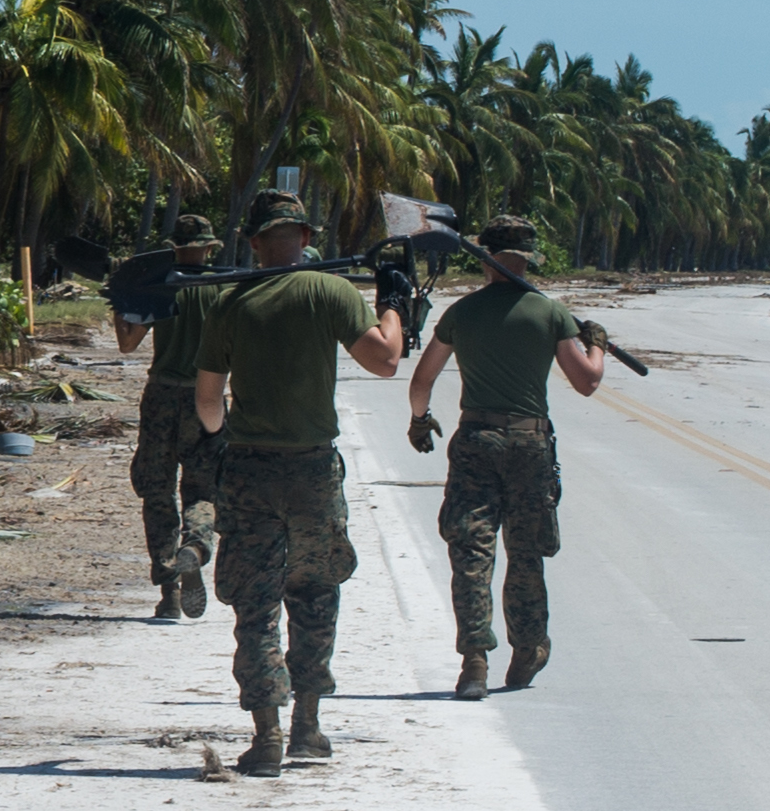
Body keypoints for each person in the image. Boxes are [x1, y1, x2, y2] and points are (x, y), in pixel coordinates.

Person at [192, 190, 409, 777]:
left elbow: (208, 403)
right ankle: (309, 726)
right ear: (307, 238)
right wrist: (393, 304)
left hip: (250, 470)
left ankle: (266, 735)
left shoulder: (230, 303)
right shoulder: (333, 292)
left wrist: (222, 434)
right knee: (313, 593)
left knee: (256, 606)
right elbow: (387, 360)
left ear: (255, 242)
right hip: (313, 471)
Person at [405, 214, 607, 701]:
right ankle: (528, 645)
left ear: (486, 258)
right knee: (526, 551)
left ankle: (475, 656)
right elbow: (587, 381)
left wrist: (419, 419)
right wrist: (595, 345)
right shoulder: (549, 312)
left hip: (476, 439)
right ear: (528, 259)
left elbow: (422, 381)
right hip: (529, 445)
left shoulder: (463, 312)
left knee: (471, 552)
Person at [114, 214, 225, 620]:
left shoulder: (161, 287)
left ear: (174, 246)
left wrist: (120, 300)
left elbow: (128, 344)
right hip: (206, 395)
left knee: (157, 492)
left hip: (161, 394)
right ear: (210, 248)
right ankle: (194, 547)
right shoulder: (221, 290)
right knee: (201, 488)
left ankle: (169, 591)